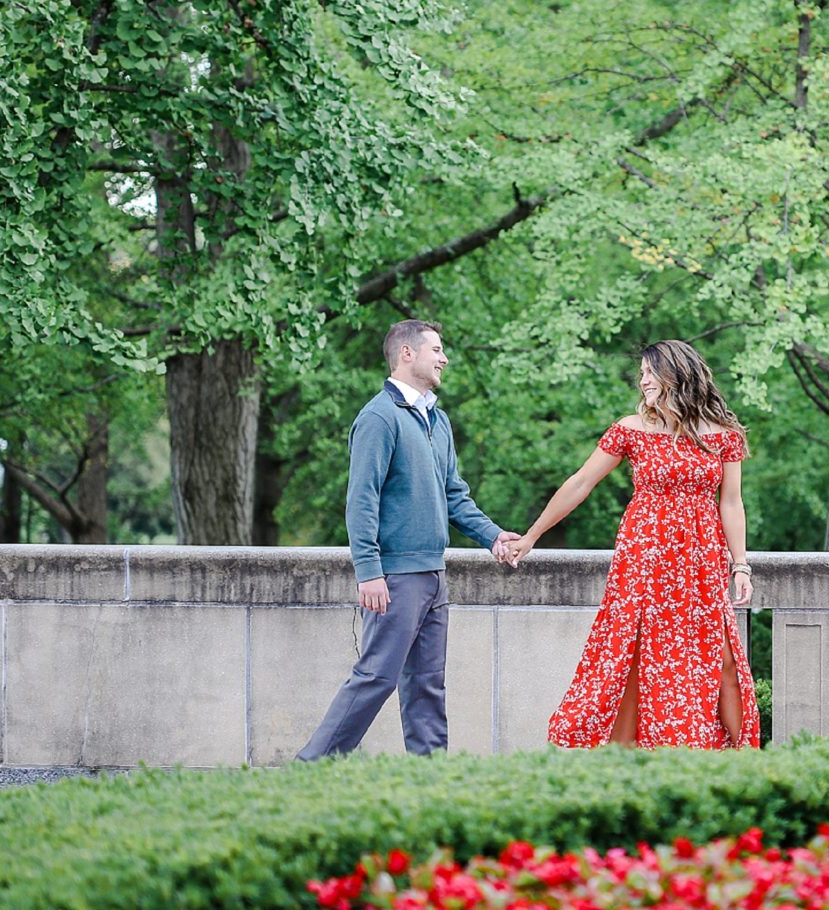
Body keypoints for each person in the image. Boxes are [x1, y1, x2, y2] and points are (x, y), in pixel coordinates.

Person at [504, 340, 761, 749]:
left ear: (675, 374)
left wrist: (741, 564)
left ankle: (742, 758)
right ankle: (624, 760)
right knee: (633, 656)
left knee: (722, 658)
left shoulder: (724, 435)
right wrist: (532, 536)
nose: (643, 381)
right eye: (641, 373)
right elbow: (581, 482)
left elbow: (731, 502)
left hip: (700, 561)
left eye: (649, 373)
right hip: (644, 557)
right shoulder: (631, 429)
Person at [296, 319, 520, 761]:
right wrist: (369, 571)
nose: (444, 358)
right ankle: (311, 765)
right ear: (407, 353)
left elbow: (454, 495)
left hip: (434, 575)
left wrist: (493, 536)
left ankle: (428, 773)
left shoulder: (437, 420)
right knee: (376, 676)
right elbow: (361, 499)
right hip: (396, 576)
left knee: (427, 683)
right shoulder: (379, 417)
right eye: (436, 349)